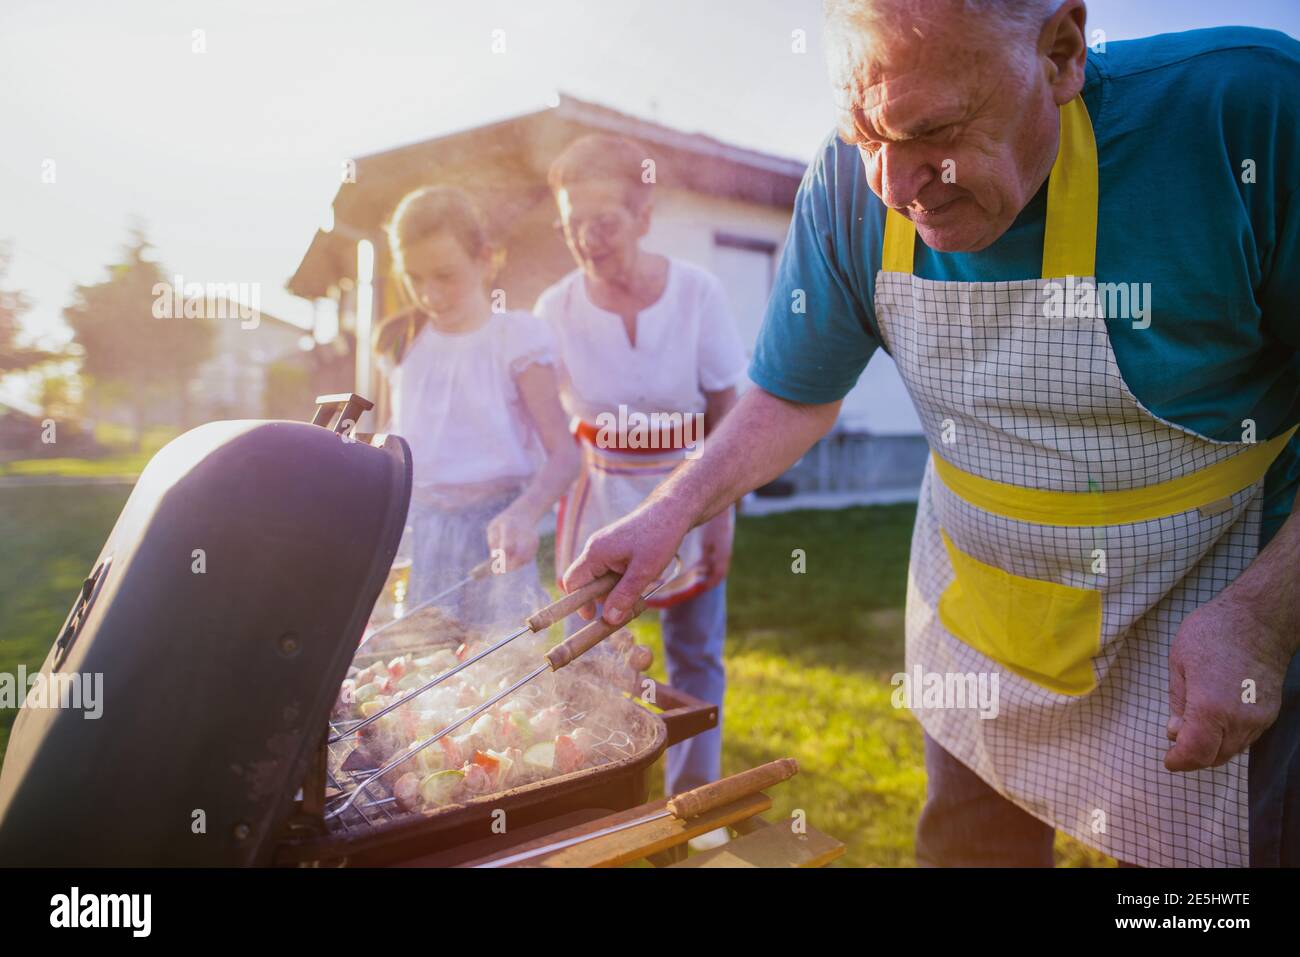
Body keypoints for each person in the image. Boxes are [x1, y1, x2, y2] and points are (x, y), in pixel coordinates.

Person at [559, 1, 1300, 868]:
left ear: (1061, 53)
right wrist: (671, 508)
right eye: (864, 134)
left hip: (1209, 604)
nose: (895, 184)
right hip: (979, 617)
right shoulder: (848, 186)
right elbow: (793, 394)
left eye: (934, 132)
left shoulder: (1247, 116)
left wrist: (1263, 616)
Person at [534, 134, 748, 814]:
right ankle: (587, 808)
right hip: (598, 498)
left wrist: (720, 515)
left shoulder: (697, 293)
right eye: (572, 224)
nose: (586, 240)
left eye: (603, 221)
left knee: (696, 656)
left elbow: (728, 409)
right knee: (586, 659)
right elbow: (540, 425)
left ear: (644, 216)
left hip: (689, 491)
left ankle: (695, 806)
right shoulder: (554, 308)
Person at [374, 186, 579, 629]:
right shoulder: (399, 342)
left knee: (500, 660)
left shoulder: (517, 338)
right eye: (414, 278)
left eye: (445, 275)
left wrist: (524, 513)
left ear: (485, 259)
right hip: (416, 535)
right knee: (420, 662)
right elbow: (389, 443)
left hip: (497, 533)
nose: (429, 294)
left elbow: (565, 456)